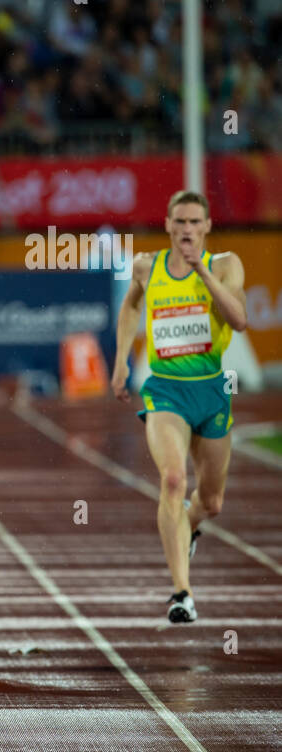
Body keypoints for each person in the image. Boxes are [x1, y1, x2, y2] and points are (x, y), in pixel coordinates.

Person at [111, 190, 248, 623]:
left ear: (207, 227)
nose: (187, 230)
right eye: (180, 222)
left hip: (211, 390)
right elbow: (131, 304)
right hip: (165, 391)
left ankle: (188, 526)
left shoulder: (224, 265)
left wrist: (201, 275)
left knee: (211, 502)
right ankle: (181, 594)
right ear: (168, 225)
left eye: (195, 222)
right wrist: (120, 361)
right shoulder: (146, 267)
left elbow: (240, 320)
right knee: (172, 479)